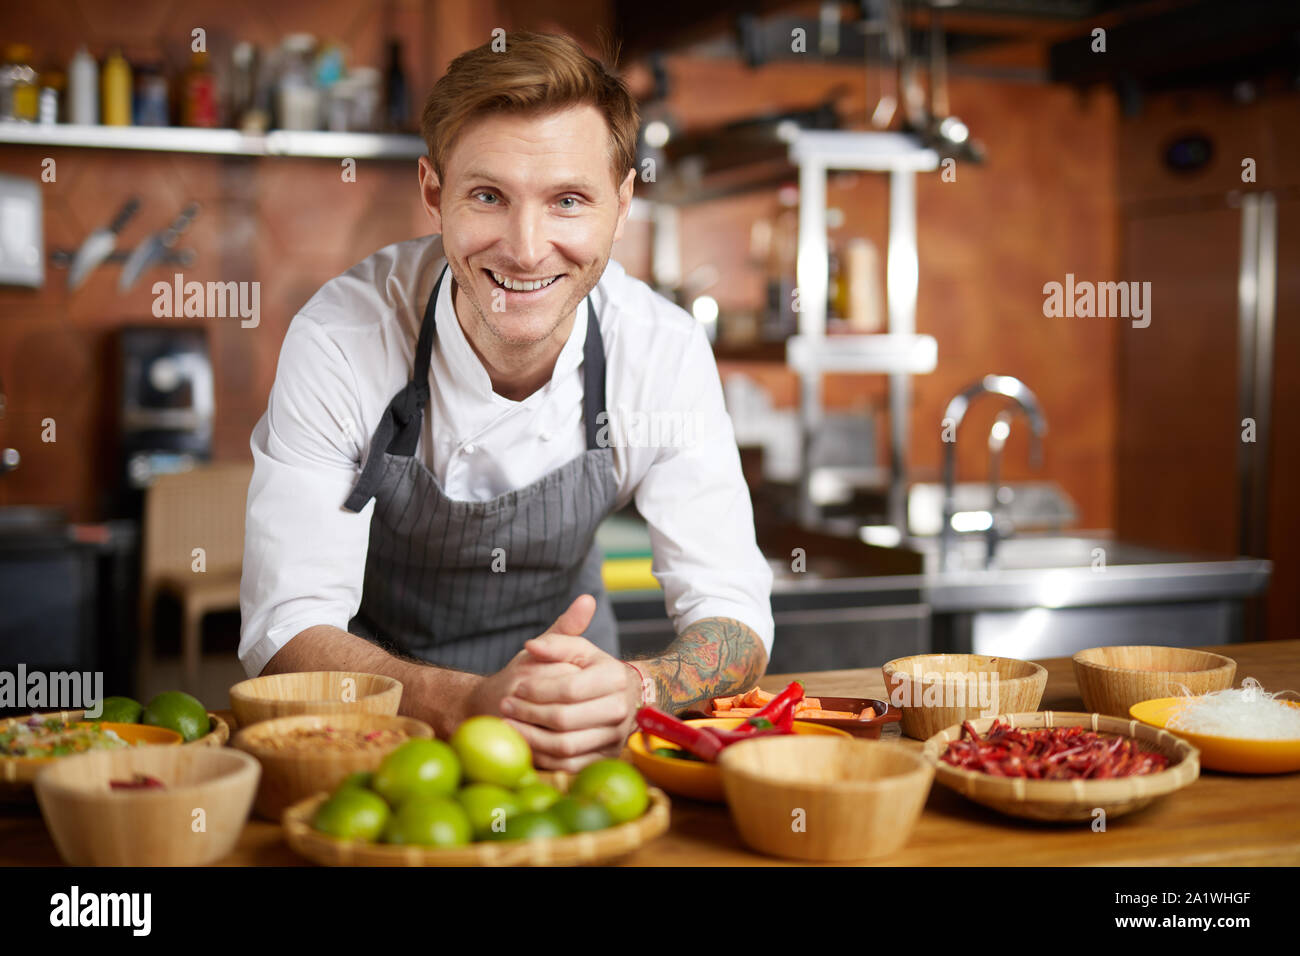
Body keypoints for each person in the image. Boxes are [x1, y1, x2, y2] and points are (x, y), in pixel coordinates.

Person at [239, 32, 773, 770]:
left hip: (581, 737)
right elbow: (285, 628)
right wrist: (463, 704)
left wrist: (637, 687)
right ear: (435, 194)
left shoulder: (662, 350)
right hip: (379, 734)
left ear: (621, 206)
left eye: (568, 201)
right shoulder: (343, 337)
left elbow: (734, 611)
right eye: (488, 196)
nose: (525, 249)